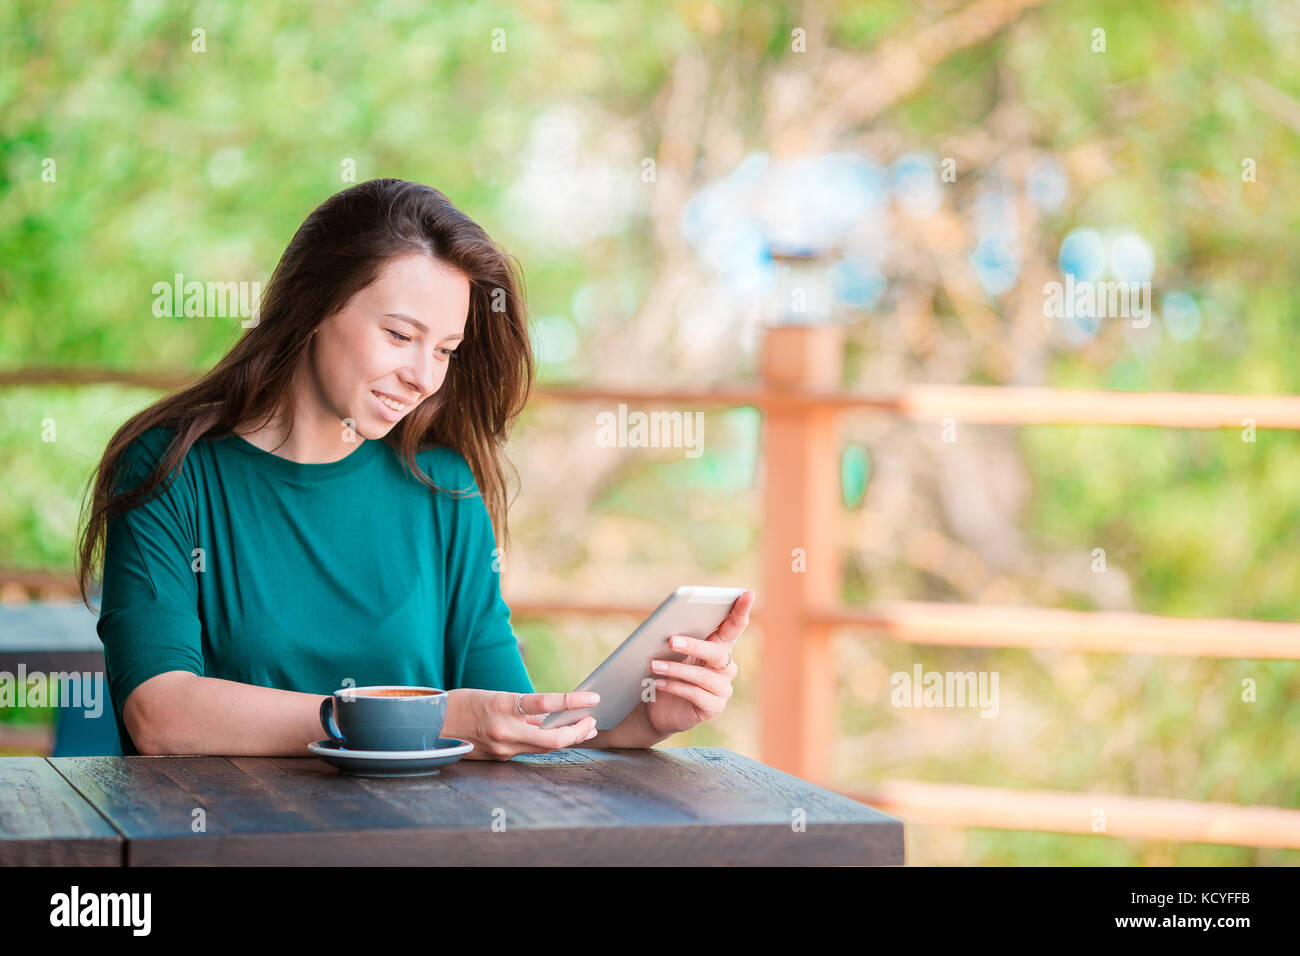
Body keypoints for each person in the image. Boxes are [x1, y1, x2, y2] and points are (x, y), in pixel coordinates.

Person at [76, 178, 754, 759]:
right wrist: (414, 720)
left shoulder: (444, 488)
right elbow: (160, 715)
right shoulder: (172, 469)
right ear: (312, 308)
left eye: (446, 350)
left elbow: (505, 719)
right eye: (400, 336)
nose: (421, 377)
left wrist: (639, 720)